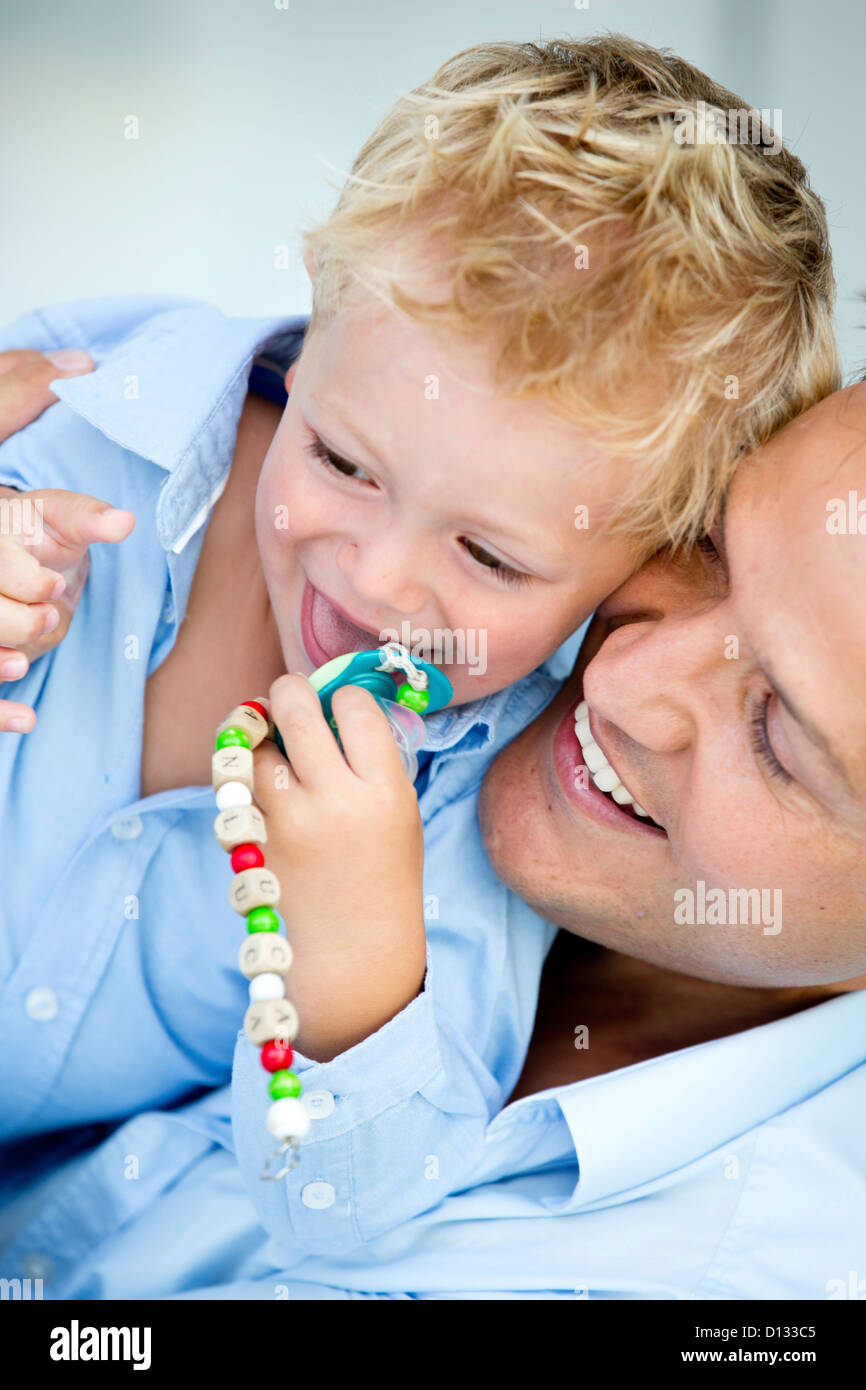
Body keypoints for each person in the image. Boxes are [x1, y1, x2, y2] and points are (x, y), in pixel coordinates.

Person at [0, 34, 842, 1289]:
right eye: (341, 461)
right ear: (316, 312)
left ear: (631, 552)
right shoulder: (88, 424)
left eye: (491, 558)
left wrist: (359, 974)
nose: (380, 580)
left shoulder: (465, 806)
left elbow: (343, 1215)